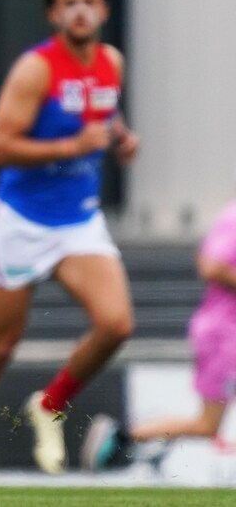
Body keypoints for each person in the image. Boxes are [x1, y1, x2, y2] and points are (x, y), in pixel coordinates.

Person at [0, 0, 141, 487]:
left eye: (89, 1)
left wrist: (120, 138)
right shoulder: (36, 69)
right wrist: (73, 147)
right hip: (21, 221)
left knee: (116, 324)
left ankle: (49, 404)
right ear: (54, 14)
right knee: (1, 345)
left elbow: (102, 117)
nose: (80, 9)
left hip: (79, 220)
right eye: (69, 2)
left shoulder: (111, 62)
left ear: (104, 11)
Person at [81, 198, 236, 472]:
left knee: (206, 425)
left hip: (223, 332)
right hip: (225, 336)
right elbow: (211, 266)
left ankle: (129, 437)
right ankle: (124, 436)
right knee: (206, 425)